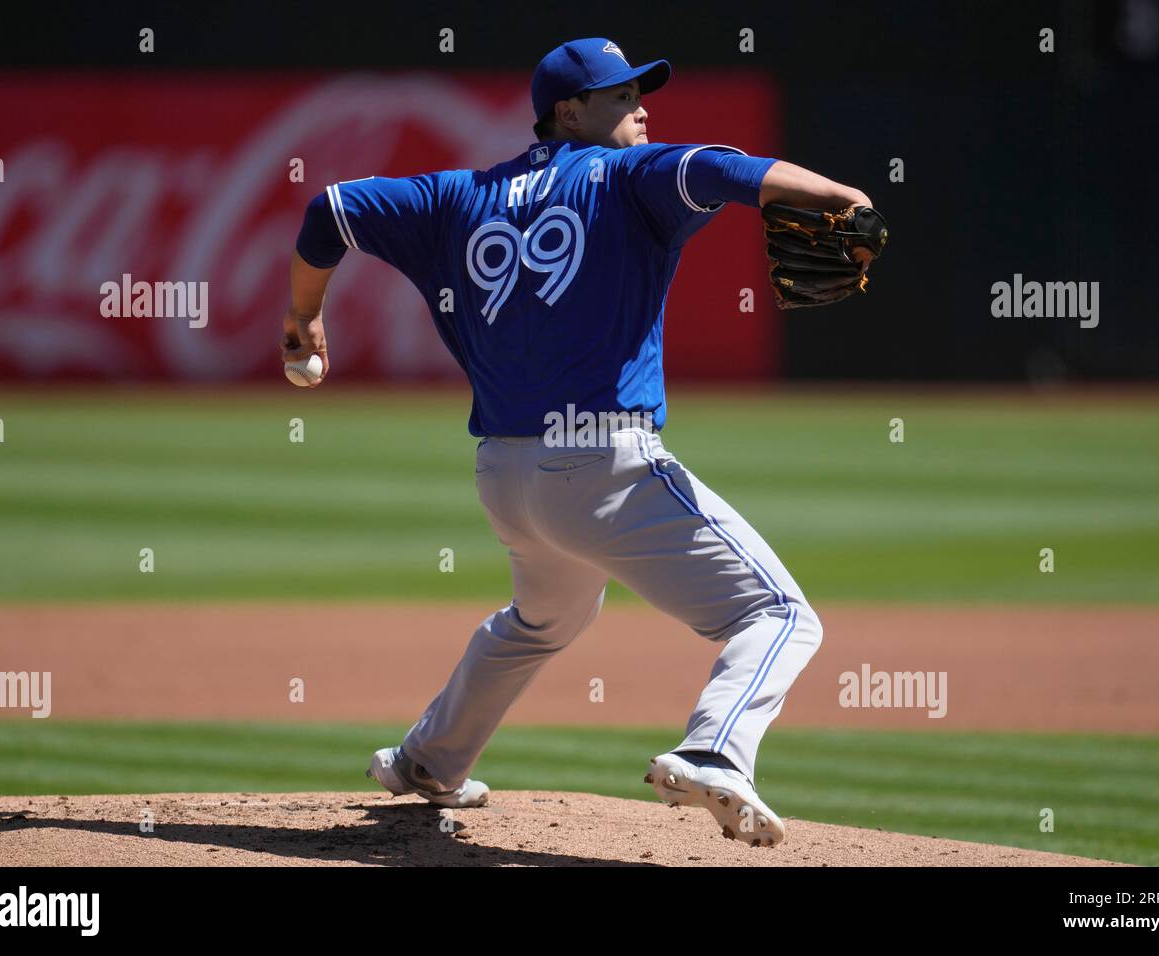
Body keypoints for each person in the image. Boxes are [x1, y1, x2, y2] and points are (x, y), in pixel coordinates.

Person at [283, 37, 874, 847]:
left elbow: (329, 212)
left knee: (542, 619)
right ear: (568, 111)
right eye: (620, 94)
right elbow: (735, 173)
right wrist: (844, 195)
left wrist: (303, 318)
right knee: (778, 614)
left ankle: (429, 760)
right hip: (604, 465)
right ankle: (715, 752)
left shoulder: (453, 195)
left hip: (505, 475)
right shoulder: (630, 176)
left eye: (640, 91)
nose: (641, 105)